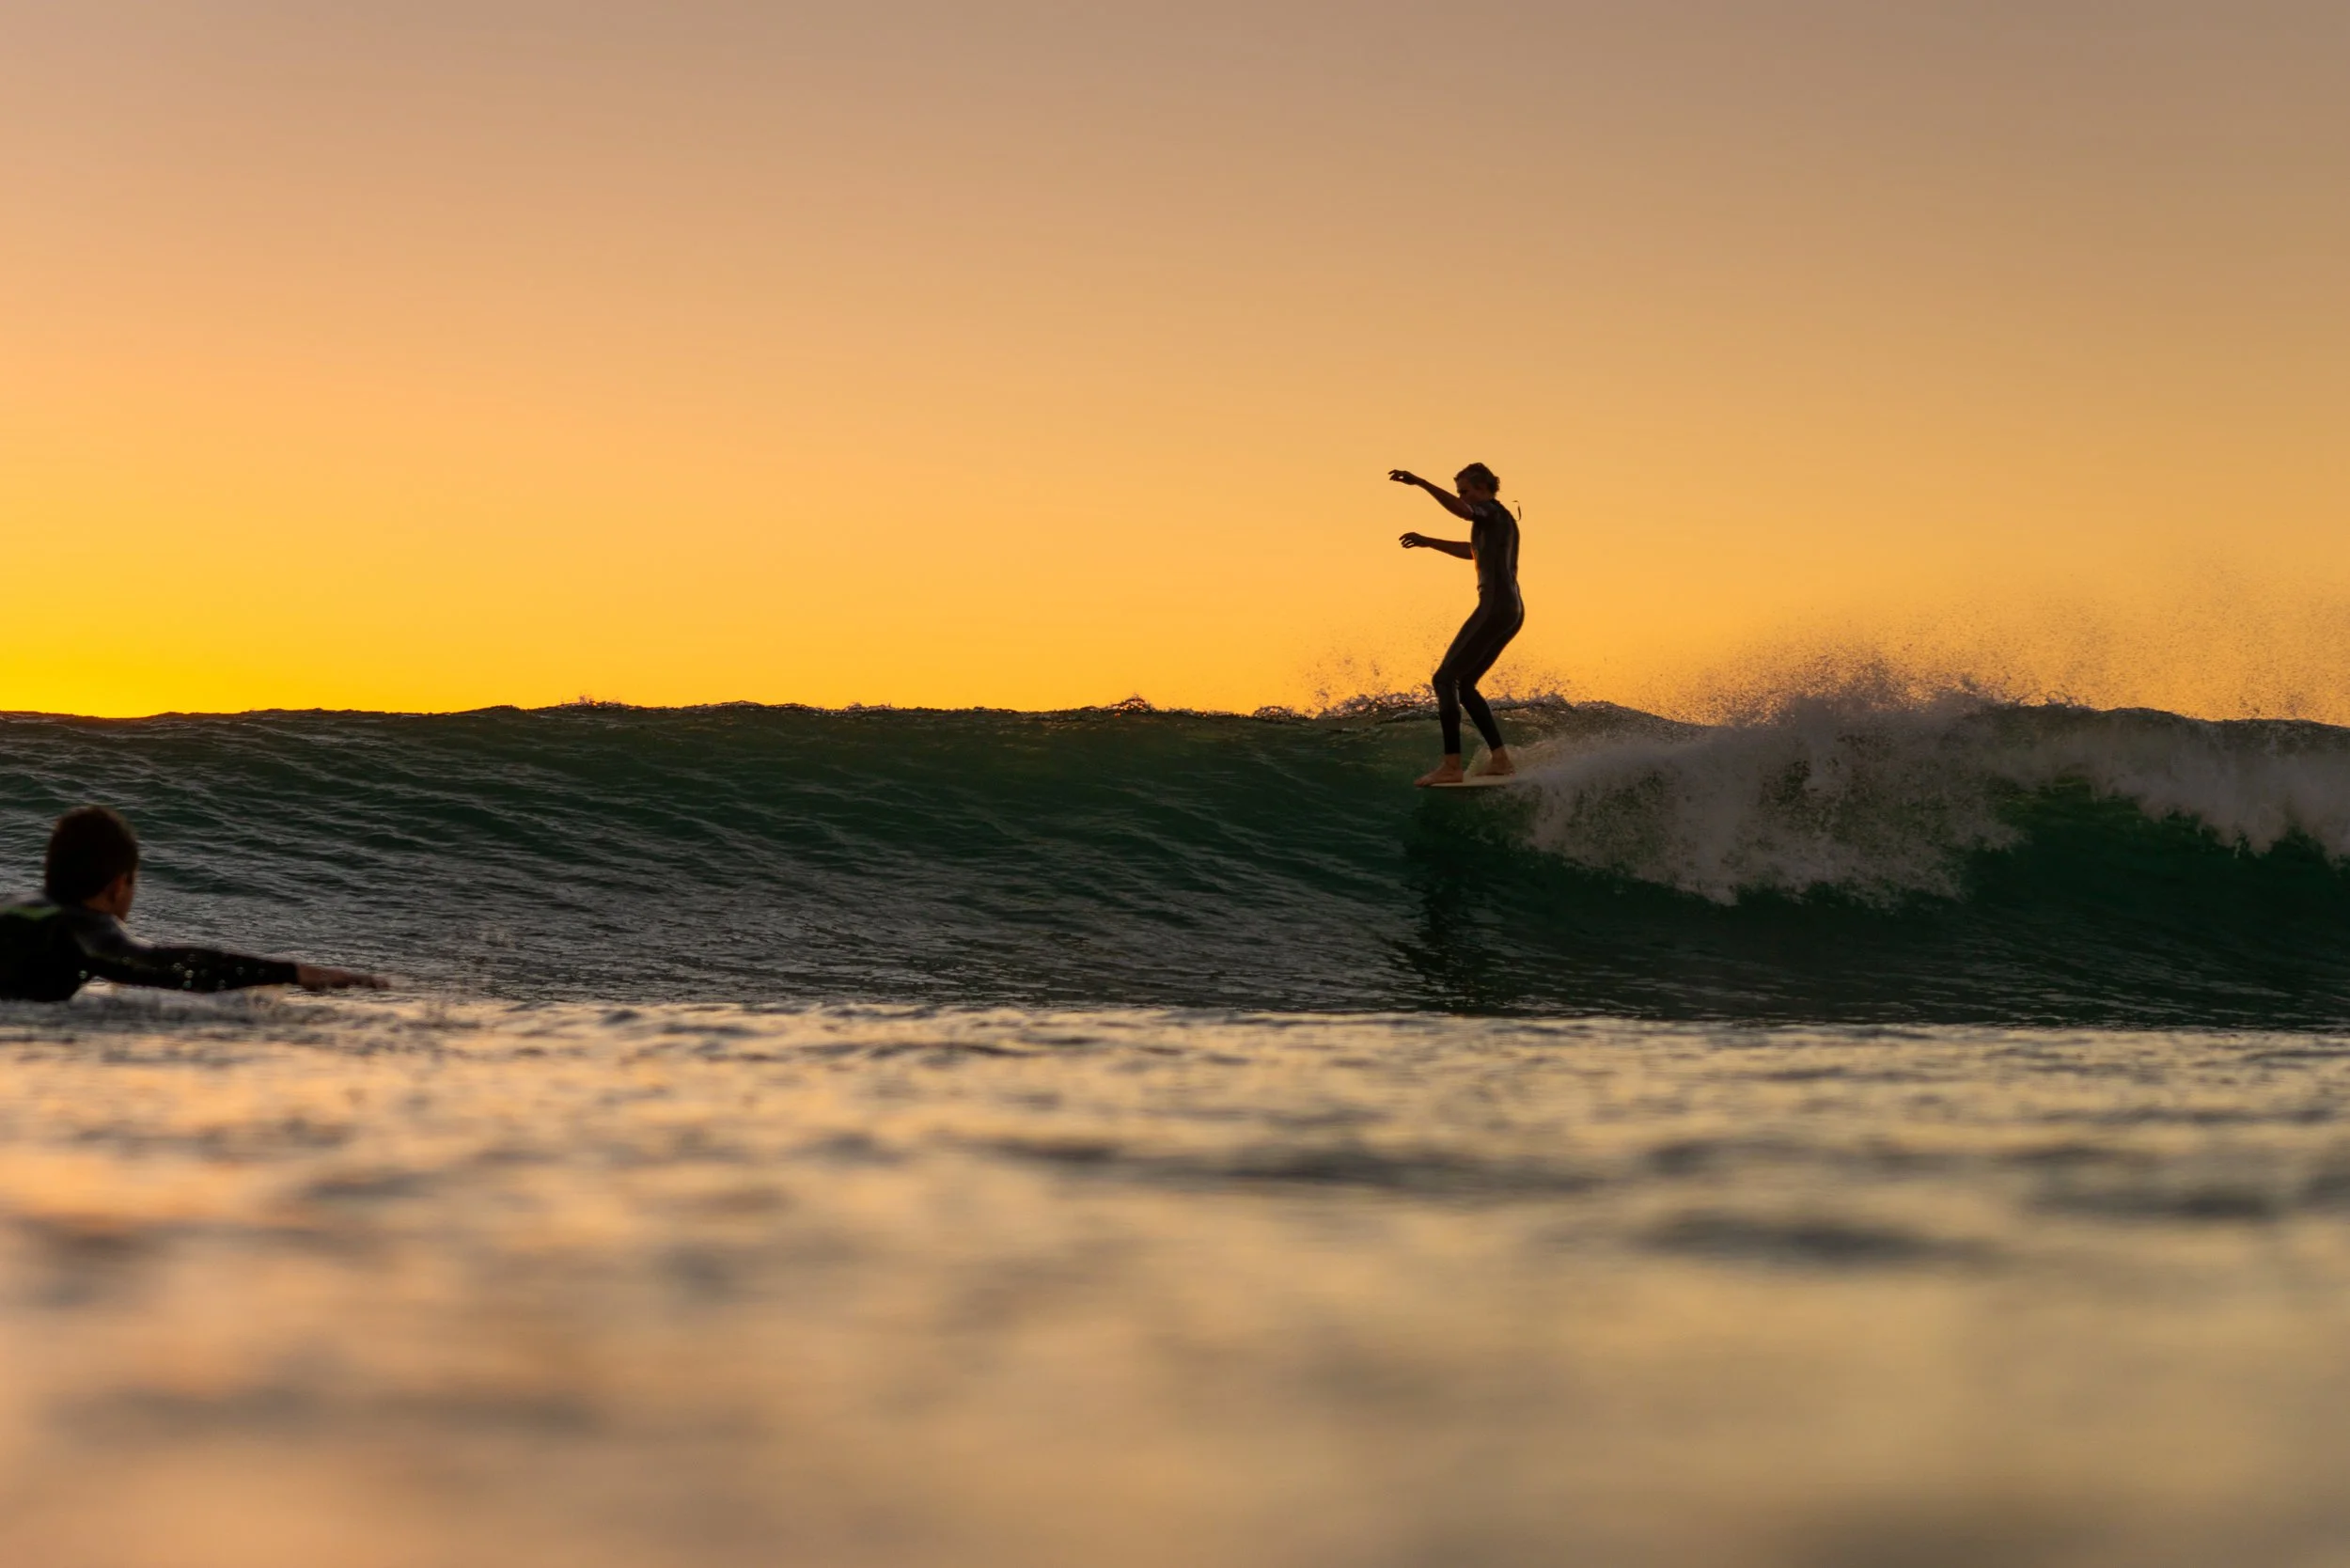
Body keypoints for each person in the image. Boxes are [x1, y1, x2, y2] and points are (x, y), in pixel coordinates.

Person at [0, 806, 385, 1002]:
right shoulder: (81, 927)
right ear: (119, 885)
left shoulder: (16, 905)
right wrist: (292, 971)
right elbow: (167, 966)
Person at [1391, 462, 1525, 786]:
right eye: (1460, 492)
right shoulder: (1499, 520)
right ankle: (1501, 760)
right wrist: (1429, 541)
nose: (1463, 498)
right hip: (1512, 610)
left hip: (1494, 607)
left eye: (1465, 491)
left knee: (1443, 679)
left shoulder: (1490, 510)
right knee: (1465, 686)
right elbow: (1473, 551)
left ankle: (1451, 765)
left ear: (1482, 489)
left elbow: (1466, 513)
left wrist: (1422, 482)